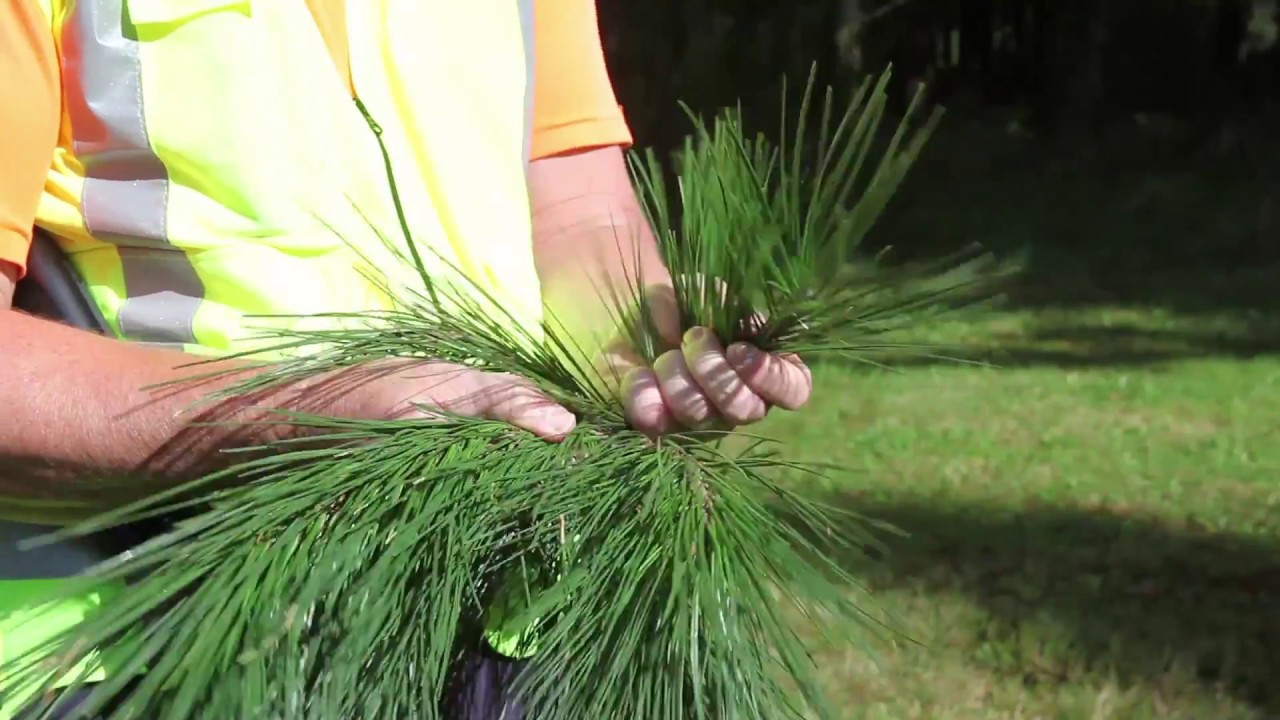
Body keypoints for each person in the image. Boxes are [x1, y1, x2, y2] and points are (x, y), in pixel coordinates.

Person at [0, 0, 813, 717]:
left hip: (484, 633)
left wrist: (647, 340)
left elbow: (577, 214)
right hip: (122, 650)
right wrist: (315, 412)